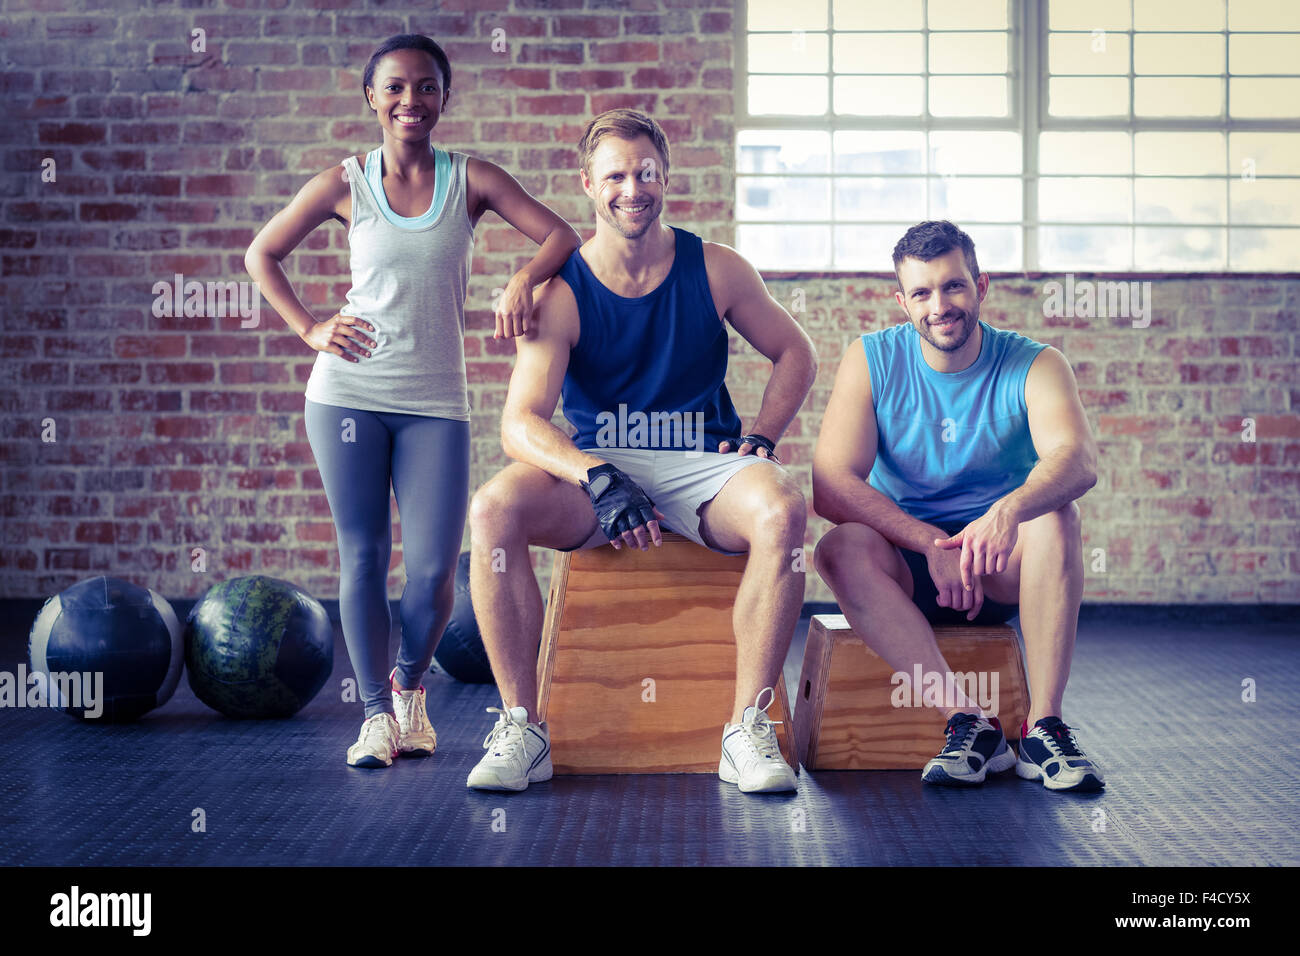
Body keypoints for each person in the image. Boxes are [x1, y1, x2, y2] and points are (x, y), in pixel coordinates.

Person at [244, 34, 580, 769]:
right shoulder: (345, 182)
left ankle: (407, 688)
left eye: (425, 87)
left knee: (431, 568)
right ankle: (372, 717)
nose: (410, 101)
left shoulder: (473, 179)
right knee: (364, 553)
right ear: (371, 97)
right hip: (347, 396)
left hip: (435, 401)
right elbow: (260, 253)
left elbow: (562, 233)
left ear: (444, 98)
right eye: (394, 87)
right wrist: (308, 326)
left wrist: (524, 278)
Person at [465, 109, 818, 793]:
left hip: (703, 465)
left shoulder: (716, 268)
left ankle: (747, 728)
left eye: (646, 172)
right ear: (589, 185)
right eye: (616, 175)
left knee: (782, 512)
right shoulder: (561, 292)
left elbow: (794, 351)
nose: (634, 188)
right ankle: (522, 726)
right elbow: (521, 424)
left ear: (667, 177)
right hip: (596, 471)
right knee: (491, 511)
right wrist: (596, 474)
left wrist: (764, 436)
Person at [811, 220, 1105, 792]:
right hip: (909, 566)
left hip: (998, 567)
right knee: (839, 547)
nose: (939, 305)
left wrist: (1005, 513)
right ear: (902, 301)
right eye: (921, 292)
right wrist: (928, 542)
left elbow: (1078, 460)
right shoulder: (871, 359)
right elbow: (830, 486)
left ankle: (1044, 728)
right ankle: (969, 724)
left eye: (953, 287)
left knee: (1056, 516)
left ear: (981, 287)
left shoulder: (1035, 363)